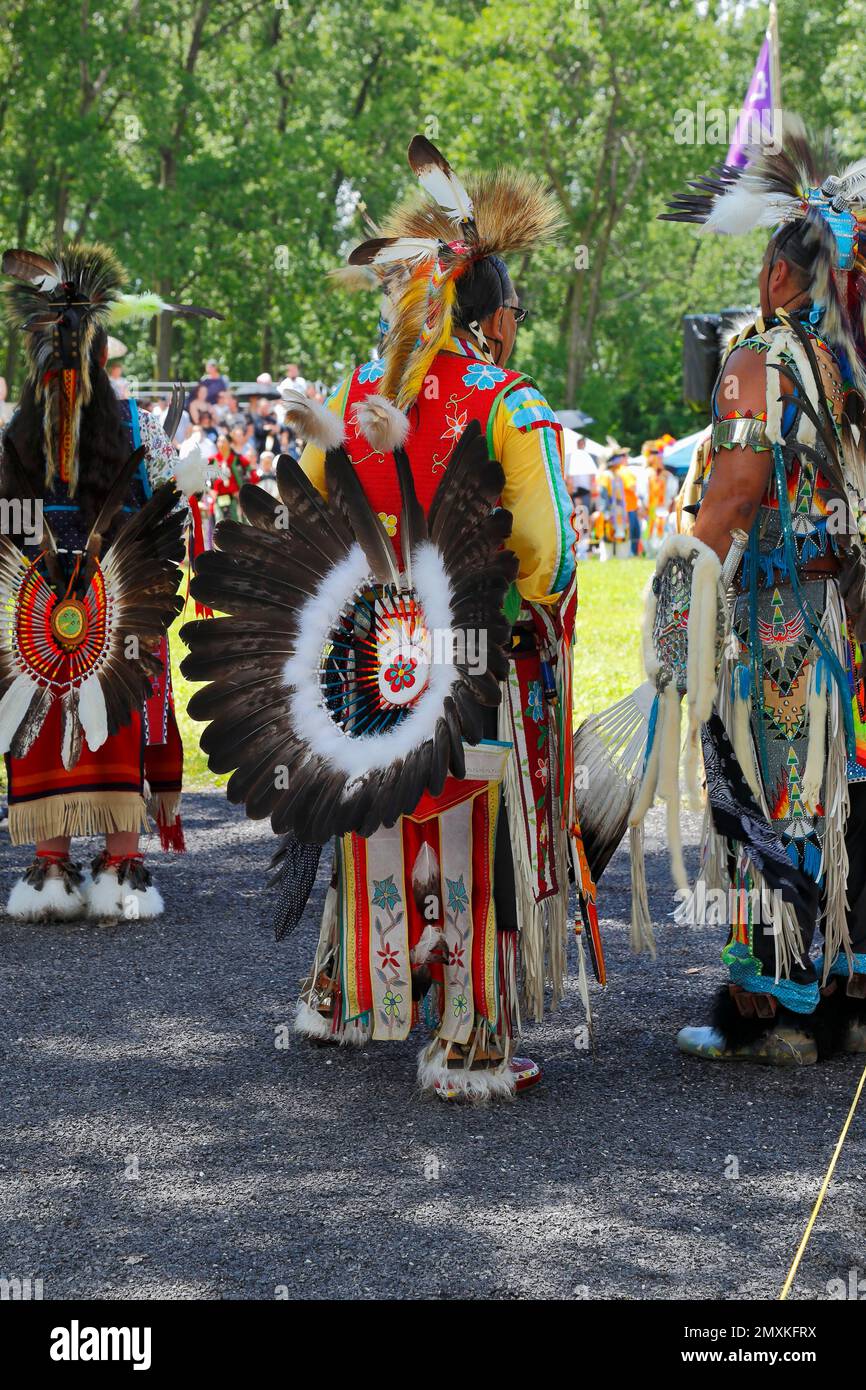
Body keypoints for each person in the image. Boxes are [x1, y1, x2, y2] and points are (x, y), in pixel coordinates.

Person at [183, 134, 598, 1102]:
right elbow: (539, 544)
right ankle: (466, 1041)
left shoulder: (358, 393)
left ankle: (342, 993)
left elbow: (312, 504)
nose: (513, 328)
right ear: (490, 318)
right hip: (474, 651)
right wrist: (537, 610)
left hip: (372, 654)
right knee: (470, 817)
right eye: (513, 313)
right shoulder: (505, 400)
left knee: (374, 802)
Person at [631, 115, 866, 1064]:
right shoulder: (845, 370)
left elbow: (729, 498)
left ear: (779, 275)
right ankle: (845, 994)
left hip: (776, 626)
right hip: (842, 626)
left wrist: (672, 613)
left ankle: (767, 1007)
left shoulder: (759, 359)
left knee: (772, 798)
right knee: (840, 794)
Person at [0, 243, 216, 920]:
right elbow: (175, 514)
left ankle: (50, 865)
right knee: (119, 712)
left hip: (35, 610)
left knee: (39, 714)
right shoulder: (138, 424)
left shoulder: (15, 434)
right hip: (115, 603)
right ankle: (122, 864)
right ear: (102, 355)